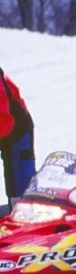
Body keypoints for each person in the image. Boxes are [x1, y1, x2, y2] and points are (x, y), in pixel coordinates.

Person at [0, 66, 35, 209]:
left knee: (20, 191)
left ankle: (24, 214)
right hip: (7, 128)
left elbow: (4, 121)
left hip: (16, 130)